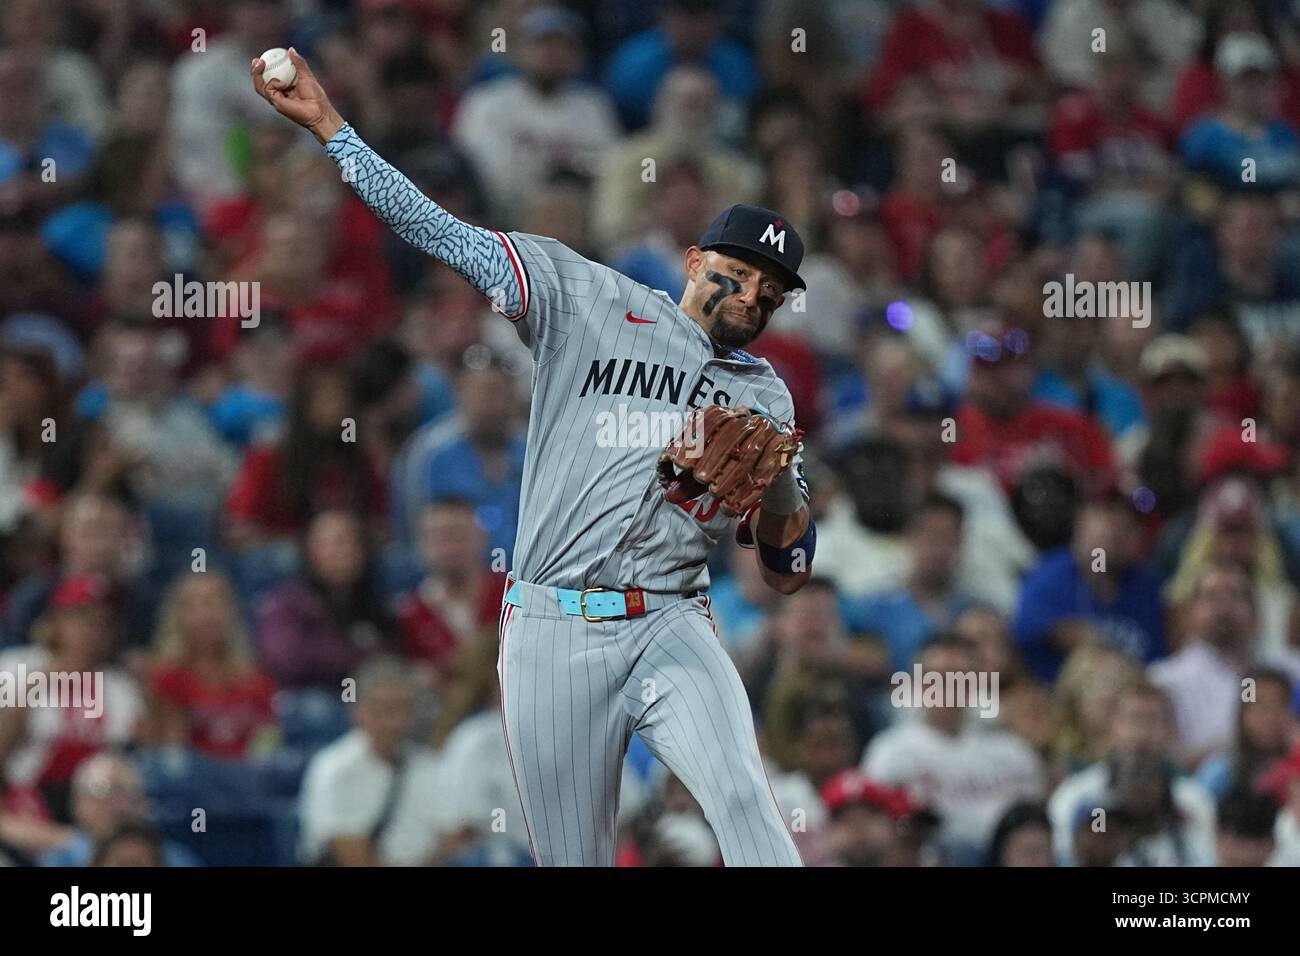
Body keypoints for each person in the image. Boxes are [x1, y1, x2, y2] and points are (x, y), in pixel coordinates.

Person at [253, 49, 816, 866]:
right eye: (739, 276)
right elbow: (439, 232)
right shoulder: (582, 294)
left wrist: (779, 489)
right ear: (693, 262)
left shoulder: (766, 395)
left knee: (741, 800)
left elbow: (790, 567)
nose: (752, 299)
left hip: (669, 617)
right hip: (552, 626)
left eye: (770, 293)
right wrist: (332, 130)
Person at [861, 635, 1044, 865]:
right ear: (918, 684)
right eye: (937, 678)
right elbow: (880, 832)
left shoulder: (1013, 753)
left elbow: (1032, 824)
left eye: (960, 678)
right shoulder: (891, 752)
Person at [297, 657, 454, 867]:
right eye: (385, 709)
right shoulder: (333, 769)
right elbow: (352, 856)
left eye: (404, 709)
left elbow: (452, 840)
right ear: (358, 711)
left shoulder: (430, 765)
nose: (395, 722)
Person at [145, 571, 277, 760]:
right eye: (194, 606)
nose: (206, 616)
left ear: (231, 612)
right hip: (193, 781)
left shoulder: (256, 679)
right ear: (178, 616)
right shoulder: (167, 677)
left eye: (214, 603)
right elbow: (171, 754)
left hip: (246, 778)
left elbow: (267, 743)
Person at [39, 753, 201, 867]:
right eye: (102, 794)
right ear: (78, 805)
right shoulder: (62, 859)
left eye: (126, 794)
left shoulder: (174, 858)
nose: (115, 805)